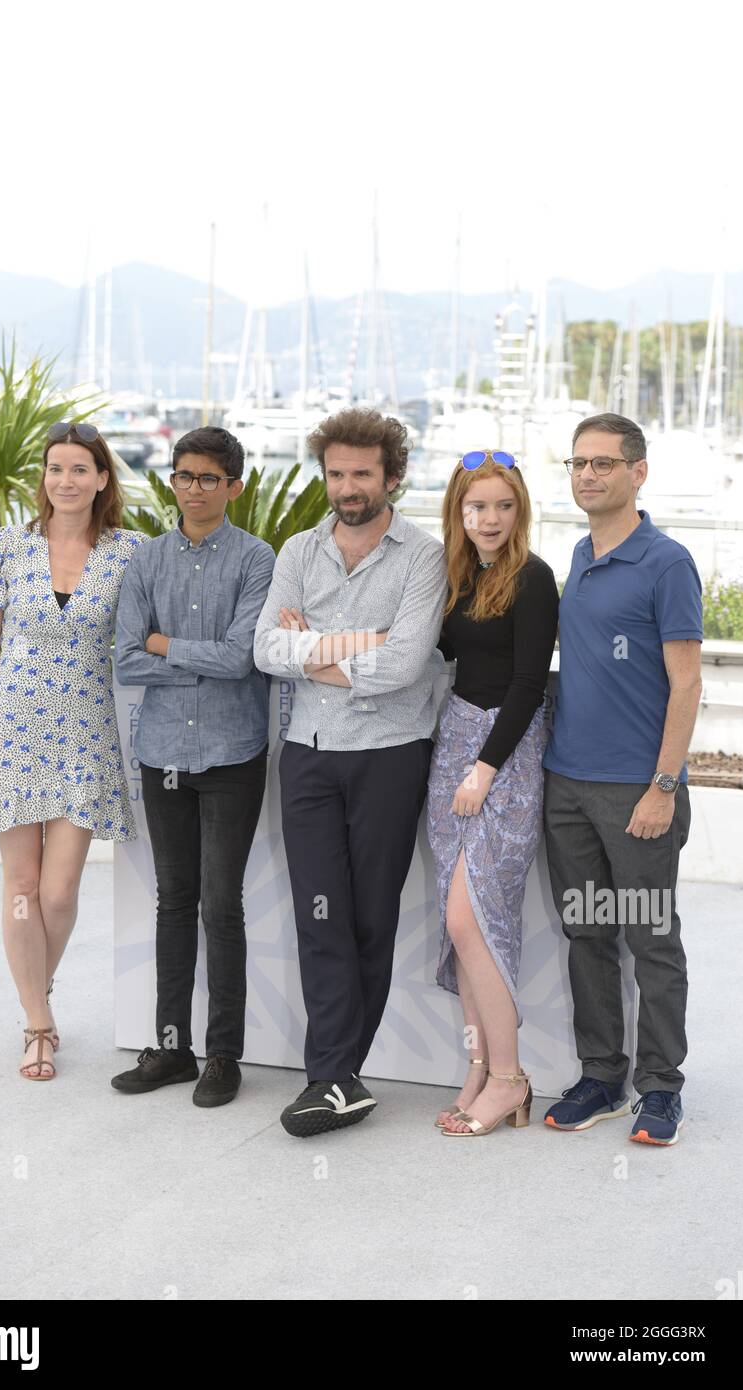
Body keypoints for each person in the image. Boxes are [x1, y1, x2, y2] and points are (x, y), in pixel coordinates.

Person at [253, 407, 448, 1137]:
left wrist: (314, 652)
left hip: (389, 758)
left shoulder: (422, 556)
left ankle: (337, 1075)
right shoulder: (298, 550)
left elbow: (402, 669)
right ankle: (332, 1077)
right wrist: (354, 646)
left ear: (391, 476)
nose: (346, 486)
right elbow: (263, 649)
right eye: (335, 473)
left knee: (370, 918)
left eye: (361, 473)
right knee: (318, 918)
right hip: (305, 754)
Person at [0, 421, 148, 1080]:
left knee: (60, 894)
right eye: (54, 469)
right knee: (22, 888)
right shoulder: (8, 545)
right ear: (44, 477)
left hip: (86, 738)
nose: (64, 481)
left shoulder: (130, 553)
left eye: (78, 469)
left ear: (101, 479)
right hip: (10, 735)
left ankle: (37, 989)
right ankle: (38, 1023)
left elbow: (163, 626)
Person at [543, 413, 703, 1146]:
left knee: (651, 940)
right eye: (578, 463)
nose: (587, 476)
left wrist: (661, 787)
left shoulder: (664, 562)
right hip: (567, 788)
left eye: (602, 463)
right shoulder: (578, 553)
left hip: (634, 794)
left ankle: (661, 1088)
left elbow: (686, 683)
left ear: (637, 472)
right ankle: (601, 1075)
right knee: (587, 935)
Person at [111, 426, 275, 1108]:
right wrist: (193, 659)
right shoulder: (146, 560)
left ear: (234, 486)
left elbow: (241, 659)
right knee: (173, 902)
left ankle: (223, 1057)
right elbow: (124, 660)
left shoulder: (257, 559)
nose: (194, 488)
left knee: (221, 906)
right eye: (184, 475)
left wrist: (163, 646)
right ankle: (172, 1048)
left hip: (233, 755)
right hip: (162, 758)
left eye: (209, 477)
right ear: (171, 480)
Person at [428, 450, 559, 1136]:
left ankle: (508, 1078)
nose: (489, 519)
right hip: (449, 752)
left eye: (502, 506)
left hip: (502, 760)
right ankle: (478, 1067)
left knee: (471, 917)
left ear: (519, 511)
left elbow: (528, 685)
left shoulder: (533, 579)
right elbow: (435, 655)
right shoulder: (453, 576)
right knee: (461, 925)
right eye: (476, 506)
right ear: (458, 510)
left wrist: (485, 767)